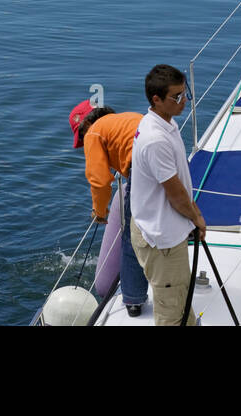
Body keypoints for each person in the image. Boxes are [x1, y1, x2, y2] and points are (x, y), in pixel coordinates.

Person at [130, 64, 206, 326]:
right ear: (156, 99)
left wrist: (192, 216)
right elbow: (174, 194)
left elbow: (179, 184)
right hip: (161, 241)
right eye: (177, 97)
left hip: (168, 231)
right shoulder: (155, 139)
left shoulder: (164, 123)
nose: (184, 101)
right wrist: (197, 218)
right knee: (172, 313)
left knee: (181, 300)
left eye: (185, 94)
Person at [69, 100, 148, 316]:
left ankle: (133, 299)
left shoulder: (94, 133)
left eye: (81, 136)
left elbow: (100, 181)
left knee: (132, 238)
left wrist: (100, 212)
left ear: (85, 125)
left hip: (143, 169)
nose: (84, 141)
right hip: (168, 162)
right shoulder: (124, 119)